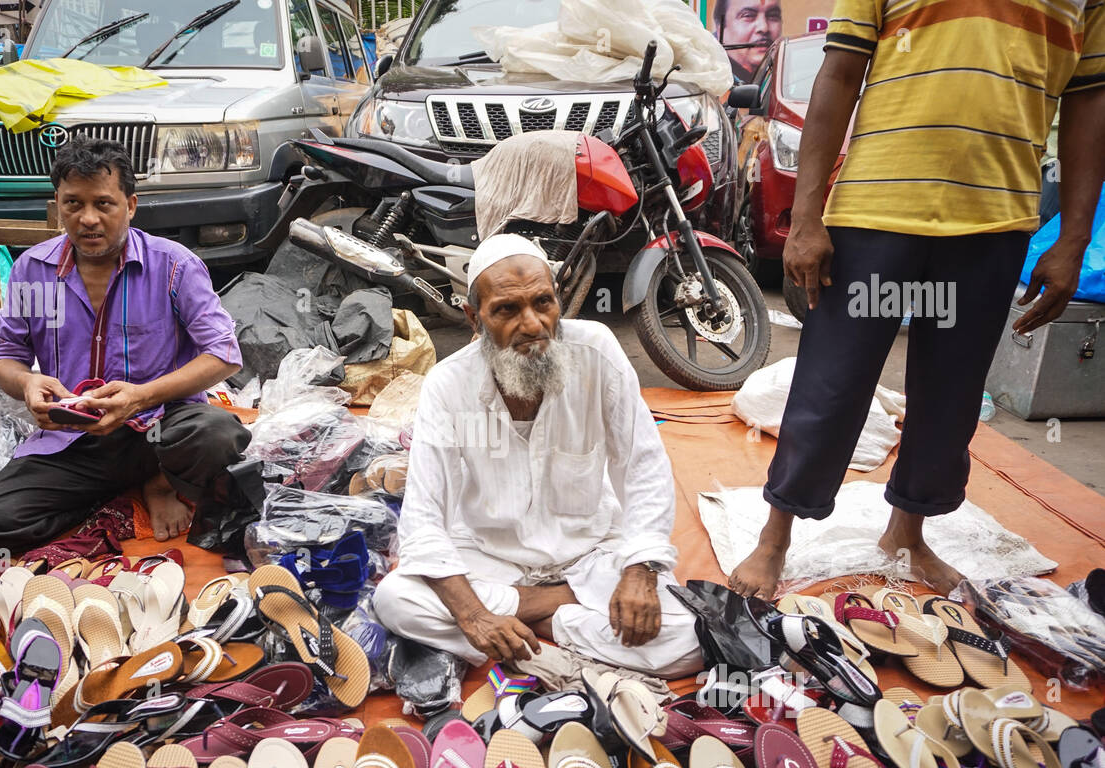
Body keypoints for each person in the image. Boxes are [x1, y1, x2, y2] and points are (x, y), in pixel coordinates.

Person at [728, 1, 1105, 600]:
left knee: (951, 397)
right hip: (876, 215)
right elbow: (841, 73)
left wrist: (1075, 237)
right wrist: (806, 216)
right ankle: (776, 535)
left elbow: (1088, 101)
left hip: (994, 224)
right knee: (832, 384)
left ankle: (907, 532)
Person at [372, 234, 700, 677]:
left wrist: (639, 571)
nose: (532, 324)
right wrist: (472, 614)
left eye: (543, 303)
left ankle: (536, 627)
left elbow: (642, 465)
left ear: (558, 301)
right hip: (491, 558)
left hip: (591, 555)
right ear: (475, 318)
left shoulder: (596, 350)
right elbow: (424, 520)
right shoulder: (448, 384)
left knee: (689, 640)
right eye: (507, 310)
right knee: (395, 600)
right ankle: (562, 624)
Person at [0, 138, 248, 554]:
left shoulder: (173, 265)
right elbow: (6, 356)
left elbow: (223, 354)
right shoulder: (32, 269)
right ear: (57, 203)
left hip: (159, 431)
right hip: (74, 438)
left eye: (104, 204)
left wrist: (140, 397)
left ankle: (158, 484)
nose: (88, 219)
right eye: (73, 204)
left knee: (219, 434)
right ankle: (106, 499)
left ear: (130, 205)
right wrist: (26, 384)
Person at [714, 0, 783, 82]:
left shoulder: (788, 80)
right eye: (748, 16)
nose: (763, 27)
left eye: (773, 16)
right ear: (720, 28)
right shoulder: (709, 82)